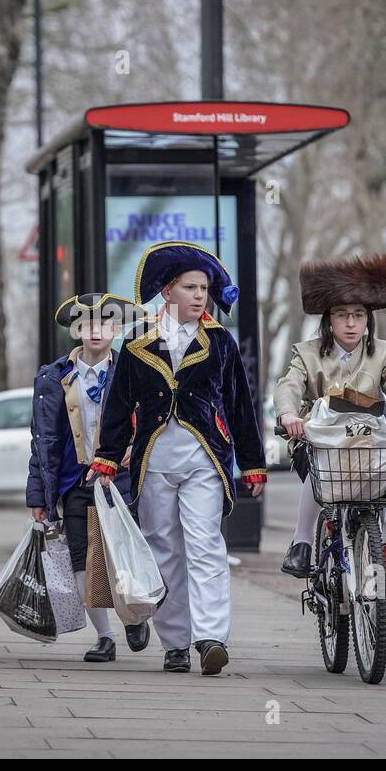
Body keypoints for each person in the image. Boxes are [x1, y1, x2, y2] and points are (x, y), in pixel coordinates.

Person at [91, 242, 267, 676]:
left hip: (205, 459)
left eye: (204, 288)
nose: (199, 295)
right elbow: (117, 406)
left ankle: (210, 638)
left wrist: (253, 462)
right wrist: (107, 458)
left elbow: (240, 404)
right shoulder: (136, 343)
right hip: (154, 462)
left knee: (205, 544)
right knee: (163, 548)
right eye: (190, 287)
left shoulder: (221, 341)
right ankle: (175, 644)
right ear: (167, 291)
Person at [272, 252, 386, 651]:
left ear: (368, 319)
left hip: (367, 449)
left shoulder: (381, 353)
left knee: (377, 526)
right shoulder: (307, 353)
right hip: (319, 443)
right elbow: (289, 385)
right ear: (329, 320)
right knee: (322, 467)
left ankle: (377, 610)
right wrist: (288, 414)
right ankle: (303, 542)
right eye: (342, 315)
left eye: (358, 314)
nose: (351, 323)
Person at [27, 292, 152, 661]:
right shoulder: (53, 377)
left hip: (121, 478)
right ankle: (105, 636)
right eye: (88, 324)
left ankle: (133, 616)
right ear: (76, 330)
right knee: (82, 559)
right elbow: (42, 440)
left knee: (121, 553)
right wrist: (38, 495)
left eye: (106, 324)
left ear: (117, 330)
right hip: (75, 479)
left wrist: (136, 447)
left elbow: (150, 419)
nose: (96, 331)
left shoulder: (134, 371)